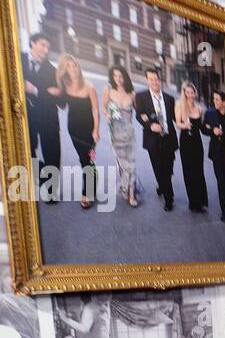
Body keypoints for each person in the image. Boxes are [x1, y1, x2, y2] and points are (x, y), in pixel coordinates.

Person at [54, 54, 99, 210]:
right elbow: (62, 106)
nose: (72, 70)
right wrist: (58, 90)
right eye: (69, 67)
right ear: (66, 70)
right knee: (83, 160)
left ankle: (87, 192)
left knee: (89, 160)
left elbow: (95, 110)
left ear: (79, 68)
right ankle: (92, 187)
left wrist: (96, 130)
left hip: (89, 131)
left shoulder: (89, 87)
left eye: (75, 66)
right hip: (73, 129)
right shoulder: (65, 87)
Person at [134, 67, 178, 210]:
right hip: (153, 139)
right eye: (151, 79)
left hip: (168, 138)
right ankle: (168, 198)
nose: (154, 82)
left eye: (156, 79)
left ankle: (162, 185)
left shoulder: (169, 99)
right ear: (147, 80)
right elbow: (139, 115)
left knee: (168, 168)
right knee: (159, 168)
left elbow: (176, 118)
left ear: (160, 80)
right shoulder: (141, 97)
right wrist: (150, 125)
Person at [23, 32, 61, 192]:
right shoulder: (18, 60)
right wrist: (47, 91)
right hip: (25, 116)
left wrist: (35, 90)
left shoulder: (53, 71)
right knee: (25, 150)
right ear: (32, 43)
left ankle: (51, 191)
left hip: (48, 118)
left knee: (52, 153)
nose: (46, 50)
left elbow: (59, 99)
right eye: (42, 45)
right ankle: (41, 172)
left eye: (48, 47)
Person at [102, 63, 140, 208]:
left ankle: (131, 193)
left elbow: (138, 112)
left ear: (125, 77)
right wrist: (107, 115)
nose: (118, 79)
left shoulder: (132, 94)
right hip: (115, 132)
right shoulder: (108, 90)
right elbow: (104, 107)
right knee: (123, 164)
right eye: (115, 76)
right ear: (112, 77)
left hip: (129, 132)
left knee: (130, 164)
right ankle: (127, 188)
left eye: (121, 76)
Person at [174, 81, 208, 213]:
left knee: (199, 171)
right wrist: (185, 125)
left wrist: (209, 127)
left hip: (197, 142)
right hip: (186, 141)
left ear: (195, 93)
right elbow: (178, 123)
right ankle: (193, 202)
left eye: (192, 92)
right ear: (184, 93)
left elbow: (201, 127)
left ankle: (201, 201)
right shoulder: (179, 105)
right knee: (189, 171)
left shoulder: (199, 108)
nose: (190, 95)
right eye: (187, 92)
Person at [201, 89, 225, 222]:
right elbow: (203, 129)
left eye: (217, 100)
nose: (214, 102)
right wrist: (211, 130)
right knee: (221, 182)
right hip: (217, 154)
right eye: (214, 99)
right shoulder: (210, 113)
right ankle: (224, 211)